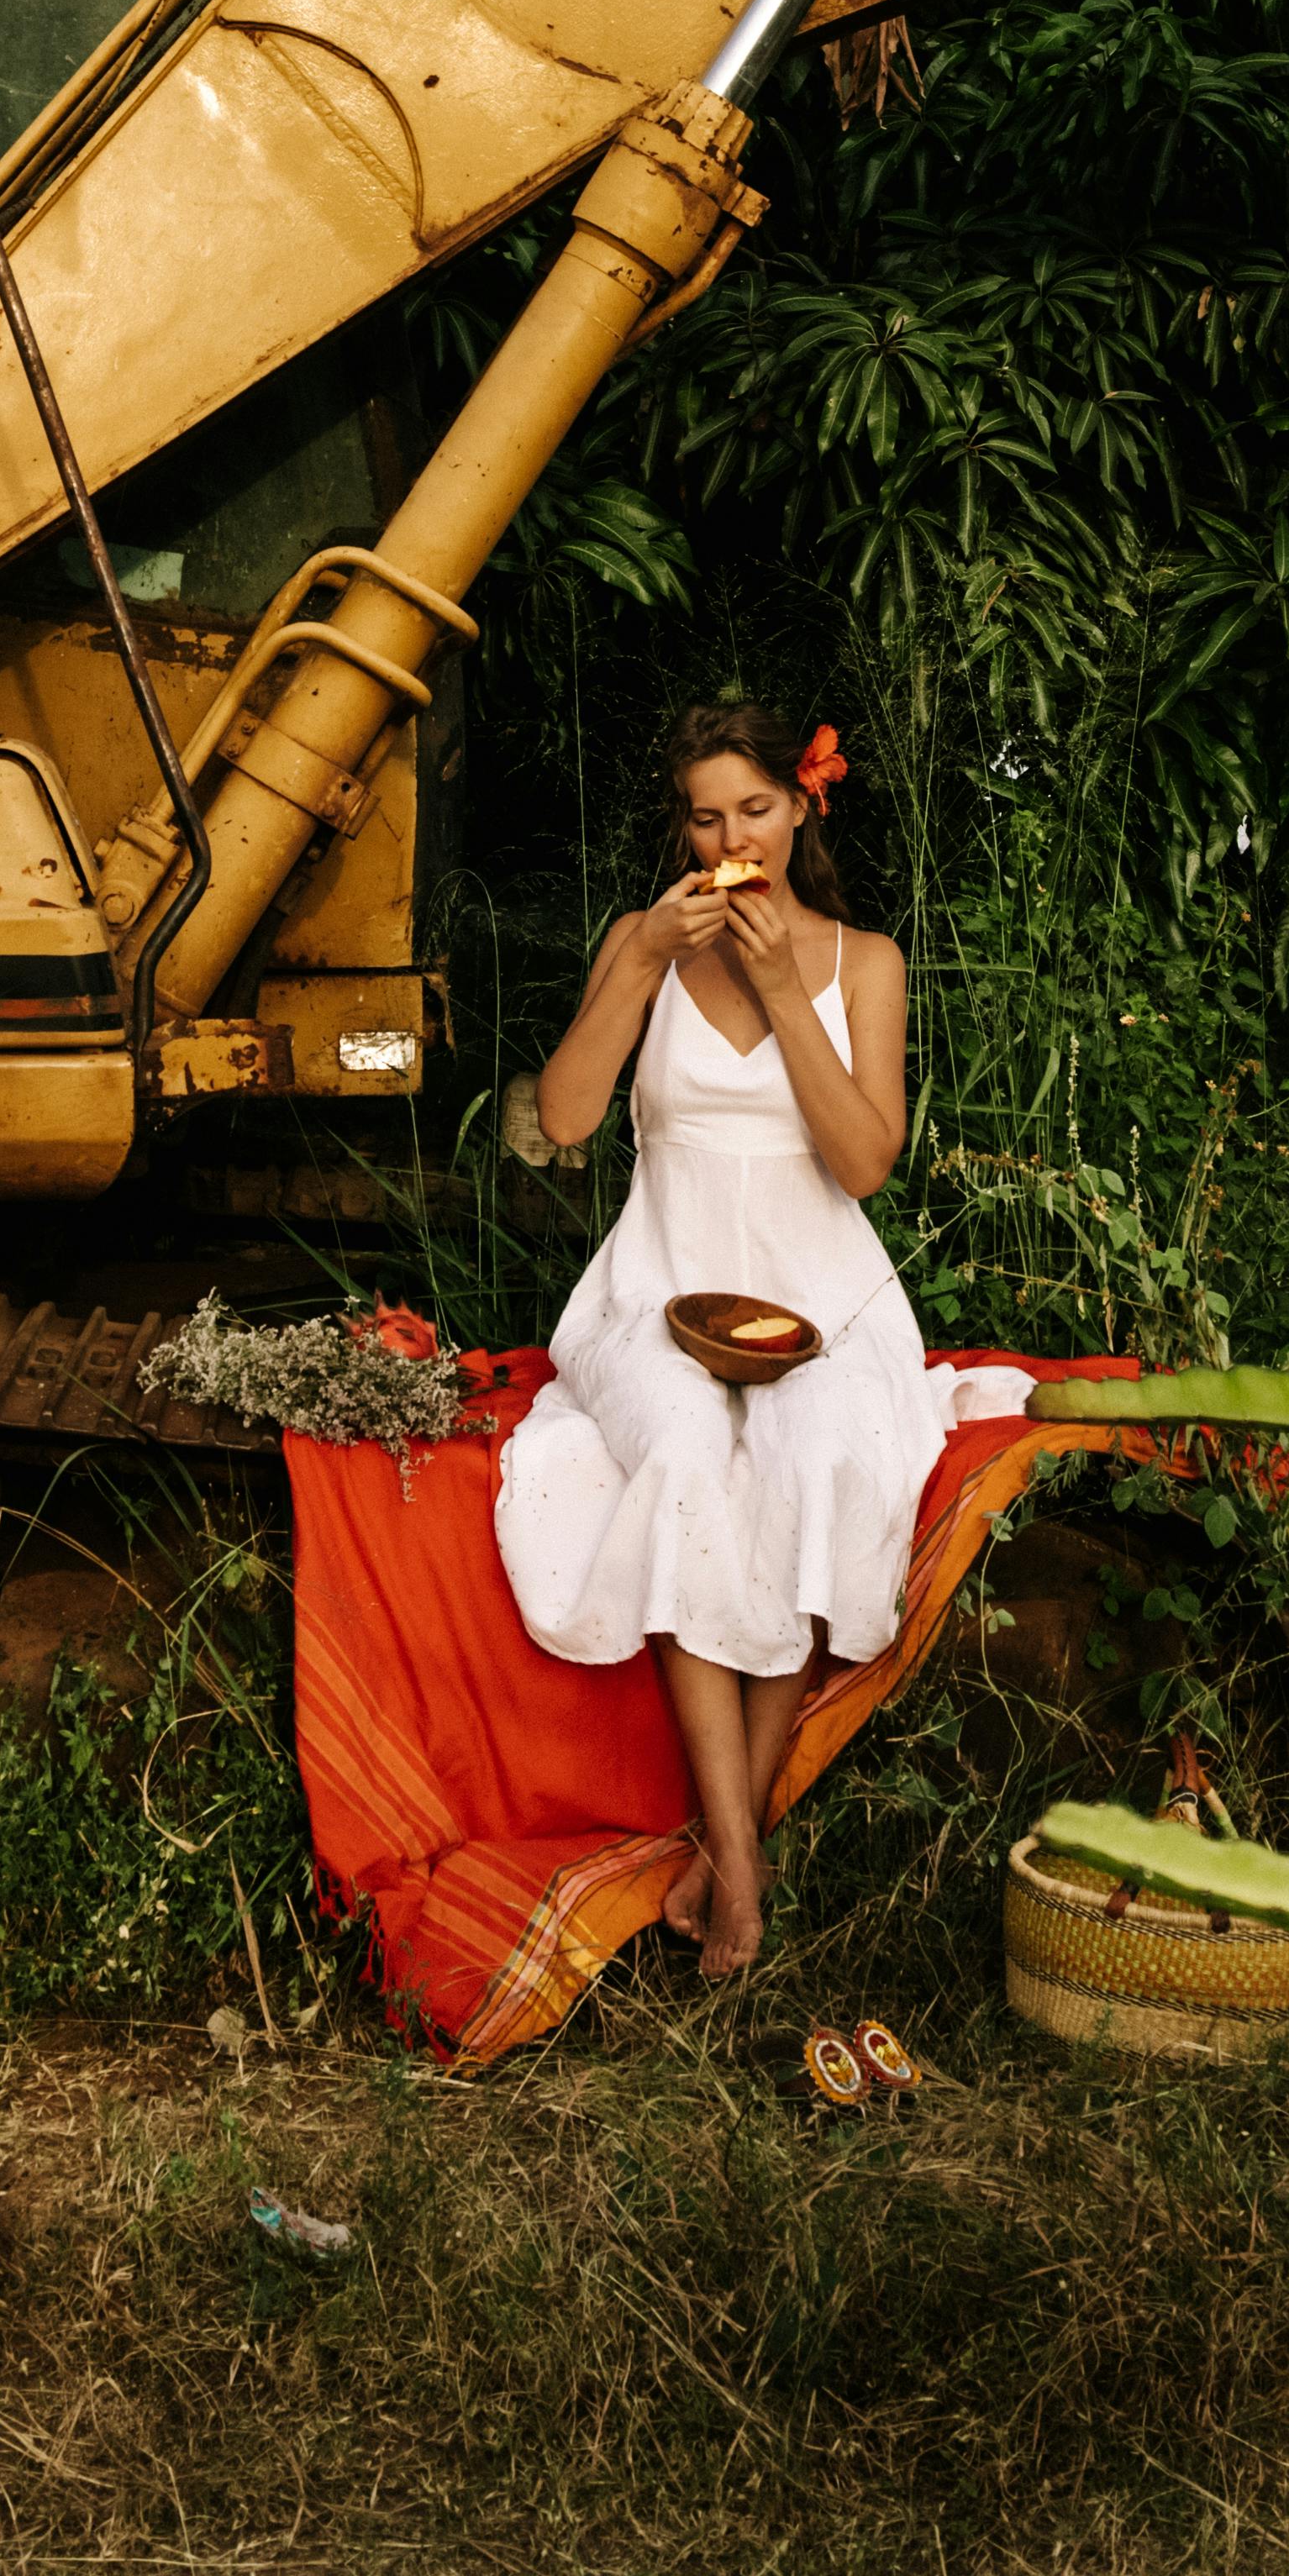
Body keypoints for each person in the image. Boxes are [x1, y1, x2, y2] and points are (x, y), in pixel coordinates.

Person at [499, 701, 926, 1981]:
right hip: (659, 1289)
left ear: (800, 809)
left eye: (754, 808)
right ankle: (741, 1867)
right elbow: (567, 1123)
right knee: (684, 1447)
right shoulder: (645, 943)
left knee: (827, 1453)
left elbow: (863, 1166)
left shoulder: (866, 963)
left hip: (824, 1300)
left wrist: (792, 994)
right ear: (681, 830)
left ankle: (716, 1842)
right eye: (704, 815)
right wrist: (635, 964)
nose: (731, 835)